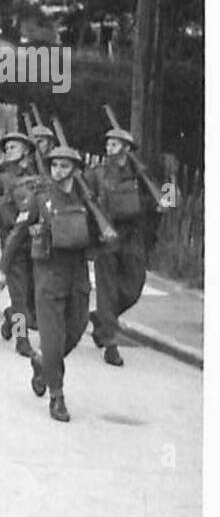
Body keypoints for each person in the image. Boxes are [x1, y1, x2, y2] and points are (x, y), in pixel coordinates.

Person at [0, 145, 108, 422]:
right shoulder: (38, 197)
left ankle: (40, 359)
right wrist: (0, 267)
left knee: (76, 328)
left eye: (64, 166)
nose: (58, 170)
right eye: (54, 165)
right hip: (46, 273)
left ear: (75, 170)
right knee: (30, 315)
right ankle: (56, 393)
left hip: (77, 275)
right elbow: (17, 231)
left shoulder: (86, 199)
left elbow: (97, 234)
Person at [88, 125, 160, 367]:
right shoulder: (97, 173)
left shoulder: (141, 174)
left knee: (133, 288)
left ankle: (101, 319)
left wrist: (166, 203)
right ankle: (110, 344)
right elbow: (84, 198)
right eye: (108, 144)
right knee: (107, 292)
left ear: (126, 149)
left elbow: (164, 192)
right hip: (106, 238)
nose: (109, 148)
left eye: (115, 144)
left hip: (133, 236)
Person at [0, 131, 41, 357]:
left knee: (32, 294)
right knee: (20, 295)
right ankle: (21, 339)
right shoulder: (1, 179)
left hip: (36, 242)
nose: (9, 151)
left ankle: (10, 318)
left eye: (14, 147)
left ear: (26, 150)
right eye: (7, 148)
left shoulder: (39, 176)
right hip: (12, 244)